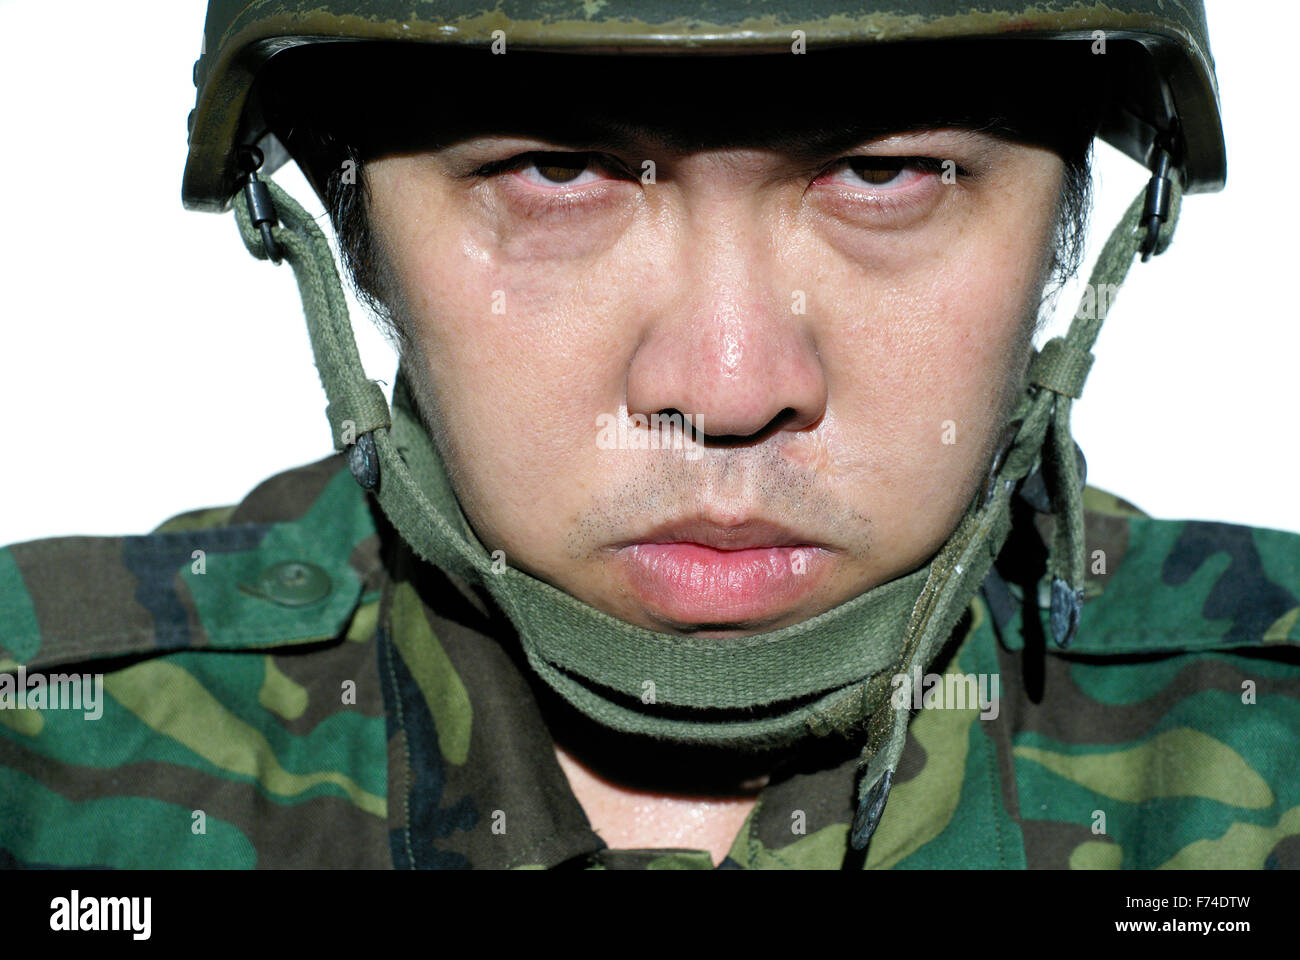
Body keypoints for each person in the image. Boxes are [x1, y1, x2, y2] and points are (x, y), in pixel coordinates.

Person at [1, 0, 1296, 871]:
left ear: (1083, 219)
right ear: (346, 230)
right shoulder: (44, 751)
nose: (730, 388)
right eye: (556, 170)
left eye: (886, 171)